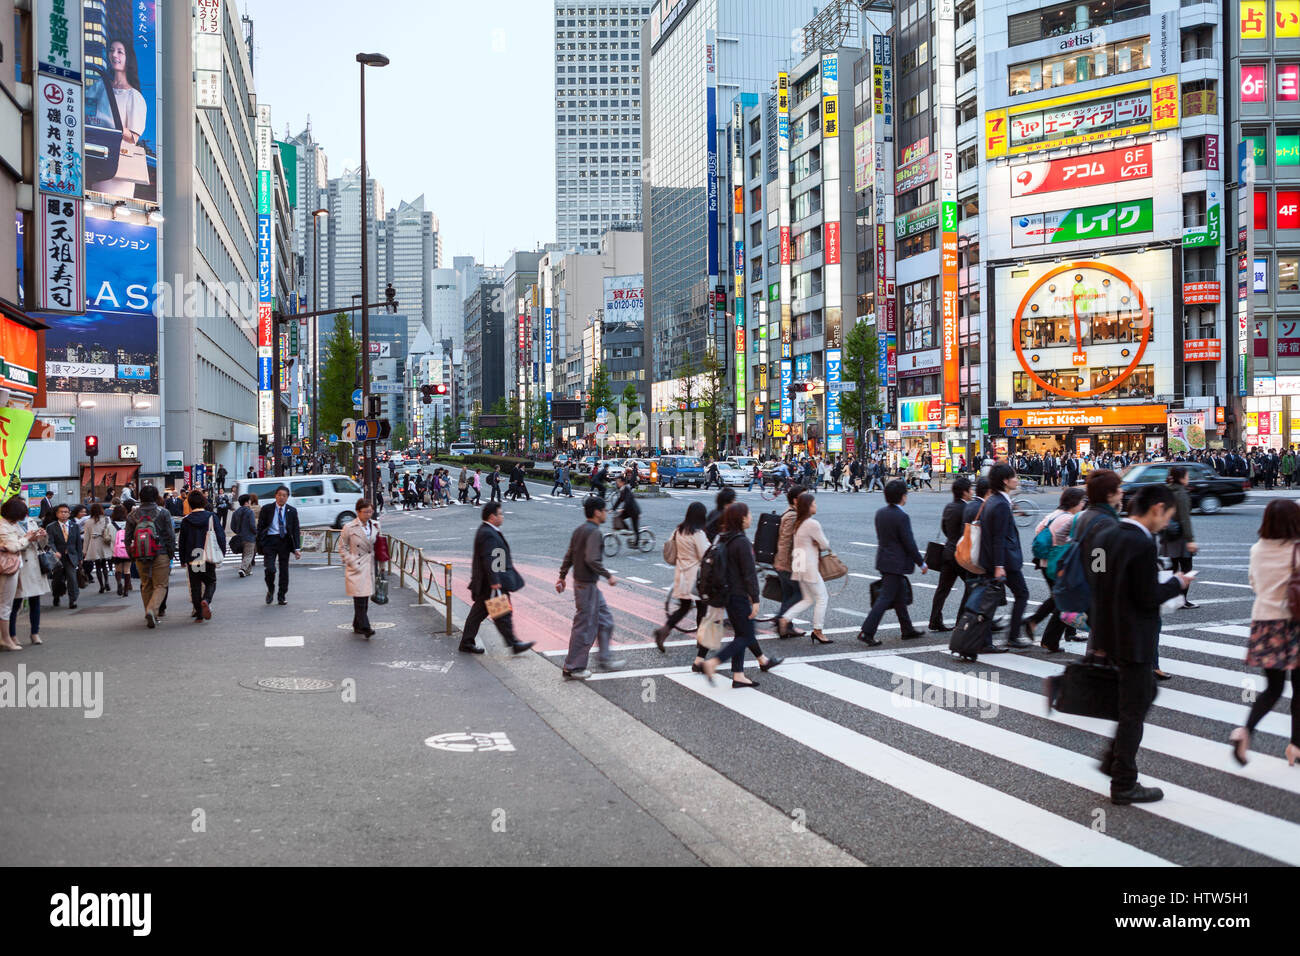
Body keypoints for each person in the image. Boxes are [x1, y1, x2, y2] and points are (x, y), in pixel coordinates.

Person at [1090, 483, 1190, 805]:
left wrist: (1100, 634)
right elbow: (1148, 597)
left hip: (1109, 634)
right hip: (1135, 638)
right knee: (1133, 709)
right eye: (1168, 516)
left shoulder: (1104, 535)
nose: (1166, 523)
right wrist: (1178, 583)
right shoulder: (1143, 543)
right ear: (1157, 508)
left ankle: (1113, 759)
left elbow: (1096, 581)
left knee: (1144, 693)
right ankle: (1123, 781)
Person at [1233, 499, 1300, 767]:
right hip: (1294, 623)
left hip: (1265, 623)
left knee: (1273, 687)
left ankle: (1245, 731)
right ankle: (1295, 745)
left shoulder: (1257, 549)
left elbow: (1253, 583)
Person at [701, 503, 782, 687]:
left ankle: (738, 674)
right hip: (739, 594)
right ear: (741, 518)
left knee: (741, 633)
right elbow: (749, 574)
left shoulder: (725, 538)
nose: (751, 517)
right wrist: (755, 599)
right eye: (749, 514)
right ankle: (713, 663)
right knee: (746, 635)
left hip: (727, 593)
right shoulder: (741, 542)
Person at [556, 496, 626, 680]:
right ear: (597, 512)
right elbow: (592, 559)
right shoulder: (594, 532)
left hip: (586, 585)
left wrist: (562, 576)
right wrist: (608, 575)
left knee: (605, 621)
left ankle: (604, 658)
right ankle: (573, 667)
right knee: (584, 626)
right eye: (604, 510)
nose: (606, 513)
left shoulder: (580, 530)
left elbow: (569, 555)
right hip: (586, 585)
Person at [857, 480, 928, 646]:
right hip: (896, 562)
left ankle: (907, 629)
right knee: (886, 597)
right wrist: (921, 563)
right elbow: (908, 542)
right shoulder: (902, 516)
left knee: (899, 597)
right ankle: (866, 631)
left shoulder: (881, 513)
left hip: (884, 558)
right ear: (903, 497)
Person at [459, 501, 535, 656]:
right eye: (500, 514)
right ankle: (513, 643)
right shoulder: (488, 533)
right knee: (501, 614)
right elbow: (489, 558)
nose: (502, 516)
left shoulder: (488, 530)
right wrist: (495, 582)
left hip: (489, 582)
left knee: (482, 614)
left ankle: (467, 642)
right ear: (492, 516)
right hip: (491, 584)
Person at [1024, 487, 1086, 651]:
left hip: (1046, 562)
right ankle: (1047, 637)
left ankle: (1045, 627)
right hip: (1058, 564)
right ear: (1074, 503)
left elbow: (1038, 531)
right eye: (1082, 502)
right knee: (1063, 600)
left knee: (1058, 598)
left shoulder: (1054, 514)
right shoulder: (1068, 519)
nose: (1083, 505)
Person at [979, 463, 1034, 650]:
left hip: (991, 558)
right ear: (1005, 481)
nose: (1017, 480)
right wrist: (999, 565)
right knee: (1021, 593)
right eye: (1014, 477)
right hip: (1004, 561)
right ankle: (1012, 636)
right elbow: (999, 537)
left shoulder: (992, 500)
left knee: (990, 599)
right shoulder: (1001, 504)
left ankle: (986, 640)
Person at [654, 501, 710, 661]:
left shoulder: (679, 530)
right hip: (696, 576)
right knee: (702, 608)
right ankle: (701, 641)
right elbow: (704, 554)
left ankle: (664, 630)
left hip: (681, 573)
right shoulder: (698, 534)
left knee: (684, 608)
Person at [784, 492, 834, 644]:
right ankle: (818, 630)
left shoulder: (799, 523)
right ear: (808, 507)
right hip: (809, 565)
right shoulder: (812, 523)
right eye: (814, 503)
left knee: (808, 599)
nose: (816, 506)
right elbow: (825, 544)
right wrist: (819, 543)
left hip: (799, 563)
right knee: (822, 598)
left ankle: (784, 618)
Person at [124, 485, 175, 629]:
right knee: (160, 585)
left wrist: (132, 554)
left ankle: (149, 613)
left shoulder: (132, 515)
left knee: (146, 584)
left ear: (140, 497)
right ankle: (152, 610)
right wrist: (170, 553)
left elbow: (127, 539)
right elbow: (170, 536)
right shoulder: (163, 513)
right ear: (156, 496)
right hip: (161, 552)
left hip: (140, 554)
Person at [928, 476, 972, 632]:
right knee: (971, 585)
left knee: (943, 588)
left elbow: (944, 528)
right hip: (959, 554)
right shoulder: (967, 509)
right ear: (965, 493)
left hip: (947, 550)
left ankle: (934, 620)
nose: (972, 492)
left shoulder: (949, 506)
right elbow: (966, 532)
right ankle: (961, 619)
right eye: (970, 489)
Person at [178, 491, 226, 624]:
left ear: (190, 504)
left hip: (193, 554)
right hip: (207, 553)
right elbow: (220, 535)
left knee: (195, 585)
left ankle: (199, 614)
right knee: (210, 581)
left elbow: (182, 541)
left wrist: (182, 559)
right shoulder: (211, 516)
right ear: (204, 502)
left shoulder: (186, 520)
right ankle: (206, 600)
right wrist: (222, 551)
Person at [338, 499, 379, 639]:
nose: (368, 514)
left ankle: (357, 625)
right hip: (356, 565)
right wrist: (350, 560)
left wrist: (382, 564)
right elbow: (342, 547)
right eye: (365, 512)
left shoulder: (375, 525)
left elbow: (380, 545)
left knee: (365, 597)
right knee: (360, 599)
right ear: (358, 512)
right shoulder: (349, 527)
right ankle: (366, 627)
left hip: (369, 564)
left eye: (370, 511)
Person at [9, 509, 50, 648]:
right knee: (15, 603)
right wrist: (27, 539)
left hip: (34, 565)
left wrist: (43, 536)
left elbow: (43, 545)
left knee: (35, 601)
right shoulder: (8, 525)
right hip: (18, 566)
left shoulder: (32, 522)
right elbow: (11, 546)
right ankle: (12, 635)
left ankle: (35, 633)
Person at [0, 498, 37, 651]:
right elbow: (13, 547)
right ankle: (6, 639)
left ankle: (6, 638)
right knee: (5, 605)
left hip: (11, 565)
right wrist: (27, 538)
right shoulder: (4, 526)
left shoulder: (8, 524)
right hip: (8, 567)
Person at [256, 486, 302, 606]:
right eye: (279, 495)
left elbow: (296, 530)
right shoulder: (267, 509)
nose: (281, 497)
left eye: (284, 495)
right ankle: (270, 589)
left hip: (284, 541)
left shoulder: (291, 511)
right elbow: (260, 527)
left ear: (287, 497)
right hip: (270, 541)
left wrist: (297, 548)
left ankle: (281, 595)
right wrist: (260, 542)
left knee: (284, 570)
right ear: (275, 495)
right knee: (270, 569)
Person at [772, 483, 807, 638]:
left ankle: (787, 626)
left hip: (787, 562)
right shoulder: (792, 516)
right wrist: (781, 562)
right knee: (801, 594)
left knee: (788, 594)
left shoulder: (792, 513)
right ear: (795, 500)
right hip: (788, 563)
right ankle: (781, 619)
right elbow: (785, 541)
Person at [1161, 466, 1198, 614]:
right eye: (1187, 475)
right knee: (1187, 568)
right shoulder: (1181, 493)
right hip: (1181, 536)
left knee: (1173, 567)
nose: (1188, 478)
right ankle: (1181, 599)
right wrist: (1190, 539)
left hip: (1168, 533)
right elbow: (1185, 518)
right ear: (1181, 477)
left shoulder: (1167, 490)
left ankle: (1170, 596)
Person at [44, 504, 82, 610]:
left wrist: (80, 558)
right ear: (57, 514)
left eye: (66, 512)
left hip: (71, 556)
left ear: (69, 513)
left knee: (72, 578)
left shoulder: (74, 526)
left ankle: (73, 600)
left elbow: (78, 543)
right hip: (57, 558)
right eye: (61, 512)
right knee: (57, 580)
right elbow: (49, 542)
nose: (64, 514)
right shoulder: (51, 527)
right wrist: (55, 551)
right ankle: (56, 595)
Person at [81, 502, 115, 594]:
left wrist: (84, 550)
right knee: (104, 565)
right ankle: (107, 582)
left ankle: (101, 586)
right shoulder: (107, 519)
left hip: (94, 543)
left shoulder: (88, 522)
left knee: (98, 566)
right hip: (105, 542)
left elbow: (86, 537)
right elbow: (111, 532)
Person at [229, 494, 258, 578]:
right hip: (249, 536)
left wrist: (238, 531)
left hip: (240, 536)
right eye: (249, 500)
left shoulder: (236, 512)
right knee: (249, 554)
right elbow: (252, 525)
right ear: (247, 502)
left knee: (245, 554)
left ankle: (248, 571)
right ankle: (243, 569)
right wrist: (255, 532)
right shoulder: (250, 512)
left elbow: (232, 526)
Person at [612, 474, 642, 547]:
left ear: (622, 482)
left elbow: (628, 500)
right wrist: (613, 509)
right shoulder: (622, 490)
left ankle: (636, 544)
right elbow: (619, 500)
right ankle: (627, 529)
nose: (617, 483)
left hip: (634, 511)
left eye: (618, 482)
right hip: (628, 510)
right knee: (619, 517)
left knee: (635, 528)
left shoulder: (627, 489)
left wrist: (622, 508)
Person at [109, 503, 132, 597]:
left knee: (117, 569)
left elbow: (106, 538)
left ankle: (119, 582)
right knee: (127, 570)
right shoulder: (129, 524)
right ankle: (126, 590)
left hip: (116, 550)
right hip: (127, 549)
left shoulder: (110, 525)